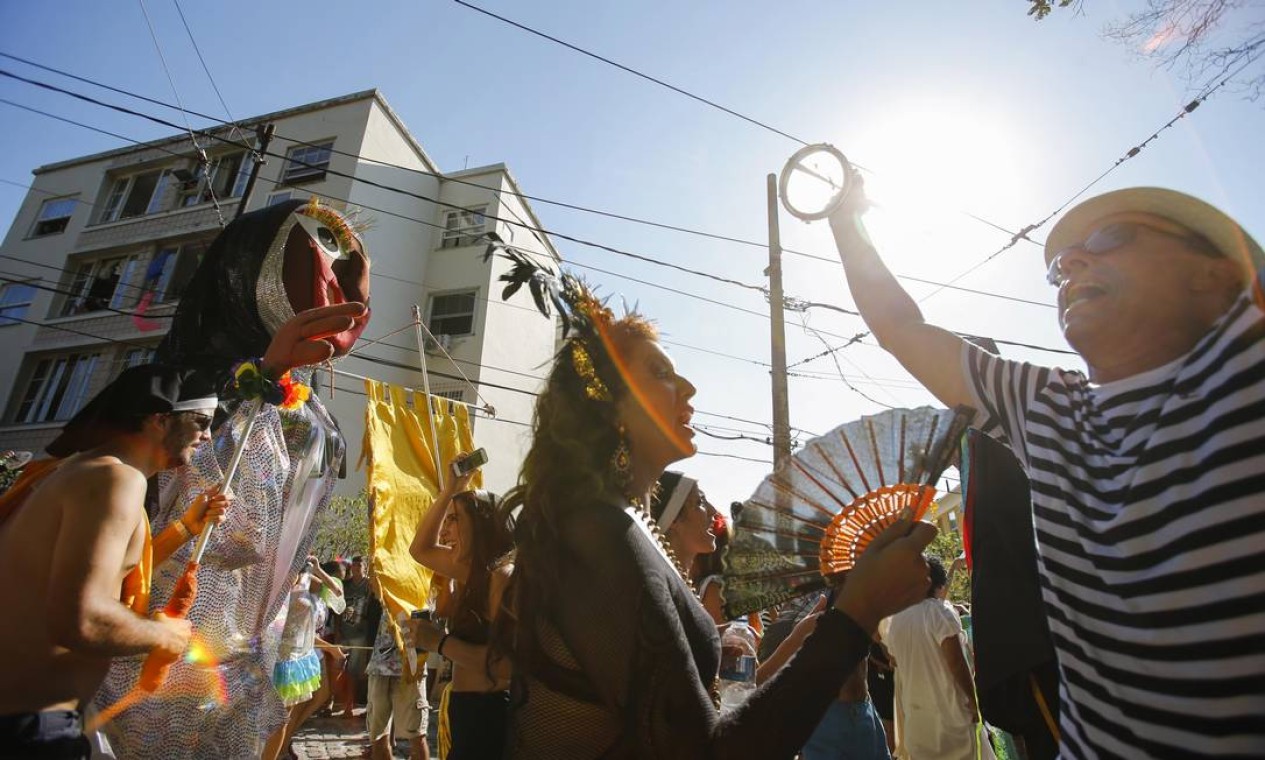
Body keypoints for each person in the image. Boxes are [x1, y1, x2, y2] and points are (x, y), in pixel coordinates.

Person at [829, 180, 1265, 756]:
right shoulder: (1048, 410)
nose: (1072, 263)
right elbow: (900, 329)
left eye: (1112, 237)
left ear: (1216, 275)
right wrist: (844, 222)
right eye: (1057, 271)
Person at [486, 263, 938, 759]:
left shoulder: (621, 523)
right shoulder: (596, 534)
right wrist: (858, 612)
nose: (690, 389)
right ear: (611, 408)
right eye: (660, 373)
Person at [95, 198, 371, 759]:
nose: (340, 272)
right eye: (323, 244)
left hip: (245, 659)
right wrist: (262, 380)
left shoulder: (306, 411)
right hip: (155, 658)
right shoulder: (175, 389)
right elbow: (176, 494)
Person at [0, 364, 227, 759]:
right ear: (159, 419)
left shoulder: (94, 470)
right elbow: (83, 618)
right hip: (27, 729)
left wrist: (186, 528)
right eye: (202, 422)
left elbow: (110, 578)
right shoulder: (117, 479)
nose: (208, 435)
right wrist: (165, 636)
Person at [409, 467, 513, 760]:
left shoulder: (502, 577)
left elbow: (506, 666)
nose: (444, 531)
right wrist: (450, 491)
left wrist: (439, 643)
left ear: (481, 526)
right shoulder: (474, 572)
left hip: (490, 716)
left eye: (454, 520)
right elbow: (420, 549)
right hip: (466, 713)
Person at [880, 557, 990, 760]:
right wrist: (973, 701)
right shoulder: (939, 611)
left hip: (918, 721)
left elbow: (893, 659)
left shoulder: (894, 622)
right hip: (951, 714)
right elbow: (956, 662)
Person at [262, 559, 346, 760]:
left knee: (282, 719)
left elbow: (338, 594)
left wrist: (317, 569)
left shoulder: (308, 579)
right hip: (272, 658)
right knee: (268, 719)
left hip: (294, 660)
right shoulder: (275, 579)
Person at [363, 610, 429, 760]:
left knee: (417, 737)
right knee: (378, 738)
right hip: (380, 666)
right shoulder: (384, 588)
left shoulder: (424, 588)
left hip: (412, 667)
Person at [337, 554, 377, 715]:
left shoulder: (368, 585)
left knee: (355, 671)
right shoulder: (345, 585)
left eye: (359, 566)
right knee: (339, 669)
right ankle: (338, 703)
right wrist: (338, 630)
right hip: (345, 630)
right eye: (353, 566)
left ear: (364, 568)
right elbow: (338, 609)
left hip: (361, 633)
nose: (355, 569)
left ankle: (351, 706)